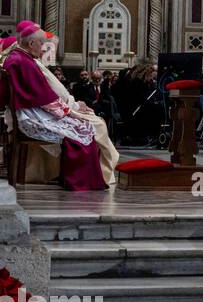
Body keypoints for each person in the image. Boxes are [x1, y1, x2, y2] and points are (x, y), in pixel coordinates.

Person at [0, 21, 118, 189]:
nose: (43, 48)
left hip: (30, 113)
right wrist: (72, 112)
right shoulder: (23, 62)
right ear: (32, 43)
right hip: (30, 118)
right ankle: (80, 181)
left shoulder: (20, 58)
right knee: (83, 132)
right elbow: (44, 98)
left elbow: (41, 95)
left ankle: (77, 177)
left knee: (82, 129)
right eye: (42, 43)